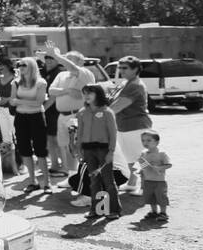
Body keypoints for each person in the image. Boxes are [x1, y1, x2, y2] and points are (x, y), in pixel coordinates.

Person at [46, 46, 94, 203]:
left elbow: (72, 68)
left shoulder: (85, 73)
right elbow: (51, 91)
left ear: (80, 61)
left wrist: (57, 56)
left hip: (77, 115)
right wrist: (67, 91)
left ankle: (84, 184)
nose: (65, 62)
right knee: (67, 147)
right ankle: (72, 177)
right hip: (62, 116)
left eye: (69, 59)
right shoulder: (61, 74)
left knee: (79, 149)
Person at [76, 84, 121, 220]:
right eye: (85, 93)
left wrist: (111, 151)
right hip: (88, 150)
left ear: (99, 94)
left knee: (108, 180)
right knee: (94, 181)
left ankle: (114, 210)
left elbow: (113, 134)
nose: (87, 96)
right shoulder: (82, 112)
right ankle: (96, 209)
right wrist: (79, 150)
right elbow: (80, 132)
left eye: (90, 93)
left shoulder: (107, 112)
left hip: (103, 149)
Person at [110, 55, 154, 194]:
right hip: (124, 127)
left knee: (141, 158)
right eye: (120, 68)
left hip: (136, 127)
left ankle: (146, 187)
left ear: (135, 69)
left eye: (125, 68)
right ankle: (132, 183)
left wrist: (100, 116)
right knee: (128, 158)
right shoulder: (126, 83)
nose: (121, 70)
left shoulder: (134, 85)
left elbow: (117, 106)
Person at [10, 57, 50, 193]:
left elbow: (39, 103)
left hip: (37, 117)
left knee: (40, 150)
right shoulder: (15, 82)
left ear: (32, 66)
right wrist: (26, 102)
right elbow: (11, 101)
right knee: (24, 150)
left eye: (24, 65)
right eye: (19, 65)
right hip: (21, 118)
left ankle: (47, 183)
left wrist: (20, 101)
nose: (20, 67)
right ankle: (33, 181)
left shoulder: (41, 82)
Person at [137, 129, 172, 222]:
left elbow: (169, 164)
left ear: (157, 142)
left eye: (149, 140)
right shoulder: (143, 153)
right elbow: (144, 165)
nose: (145, 142)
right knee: (150, 197)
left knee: (161, 197)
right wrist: (141, 170)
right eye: (143, 140)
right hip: (147, 180)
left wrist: (159, 168)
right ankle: (154, 211)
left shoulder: (161, 154)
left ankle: (163, 213)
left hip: (159, 181)